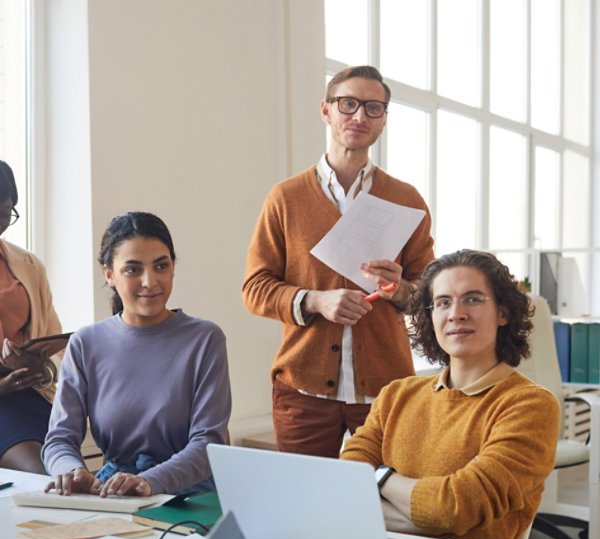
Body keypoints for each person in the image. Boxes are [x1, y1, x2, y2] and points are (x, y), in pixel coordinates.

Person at [242, 65, 434, 457]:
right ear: (326, 111)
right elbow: (254, 288)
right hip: (303, 387)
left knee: (386, 505)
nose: (360, 116)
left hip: (386, 390)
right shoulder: (286, 197)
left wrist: (401, 291)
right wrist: (315, 301)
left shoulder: (407, 200)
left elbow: (429, 295)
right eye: (348, 104)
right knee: (304, 507)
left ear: (383, 121)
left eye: (373, 108)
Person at [341, 249, 560, 539]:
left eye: (472, 298)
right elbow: (346, 484)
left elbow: (456, 507)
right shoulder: (396, 395)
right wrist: (435, 518)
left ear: (502, 313)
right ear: (431, 316)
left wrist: (379, 477)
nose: (456, 313)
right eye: (443, 302)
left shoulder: (530, 406)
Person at [42, 212, 231, 496]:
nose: (149, 281)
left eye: (161, 266)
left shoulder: (205, 339)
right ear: (109, 273)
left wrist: (150, 481)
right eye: (133, 269)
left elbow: (208, 444)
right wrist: (70, 472)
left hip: (189, 496)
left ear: (173, 267)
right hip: (114, 494)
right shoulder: (85, 344)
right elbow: (59, 440)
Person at [0, 159, 62, 474]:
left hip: (31, 393)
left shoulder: (29, 265)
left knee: (69, 473)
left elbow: (54, 341)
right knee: (43, 475)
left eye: (4, 213)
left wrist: (43, 370)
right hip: (3, 401)